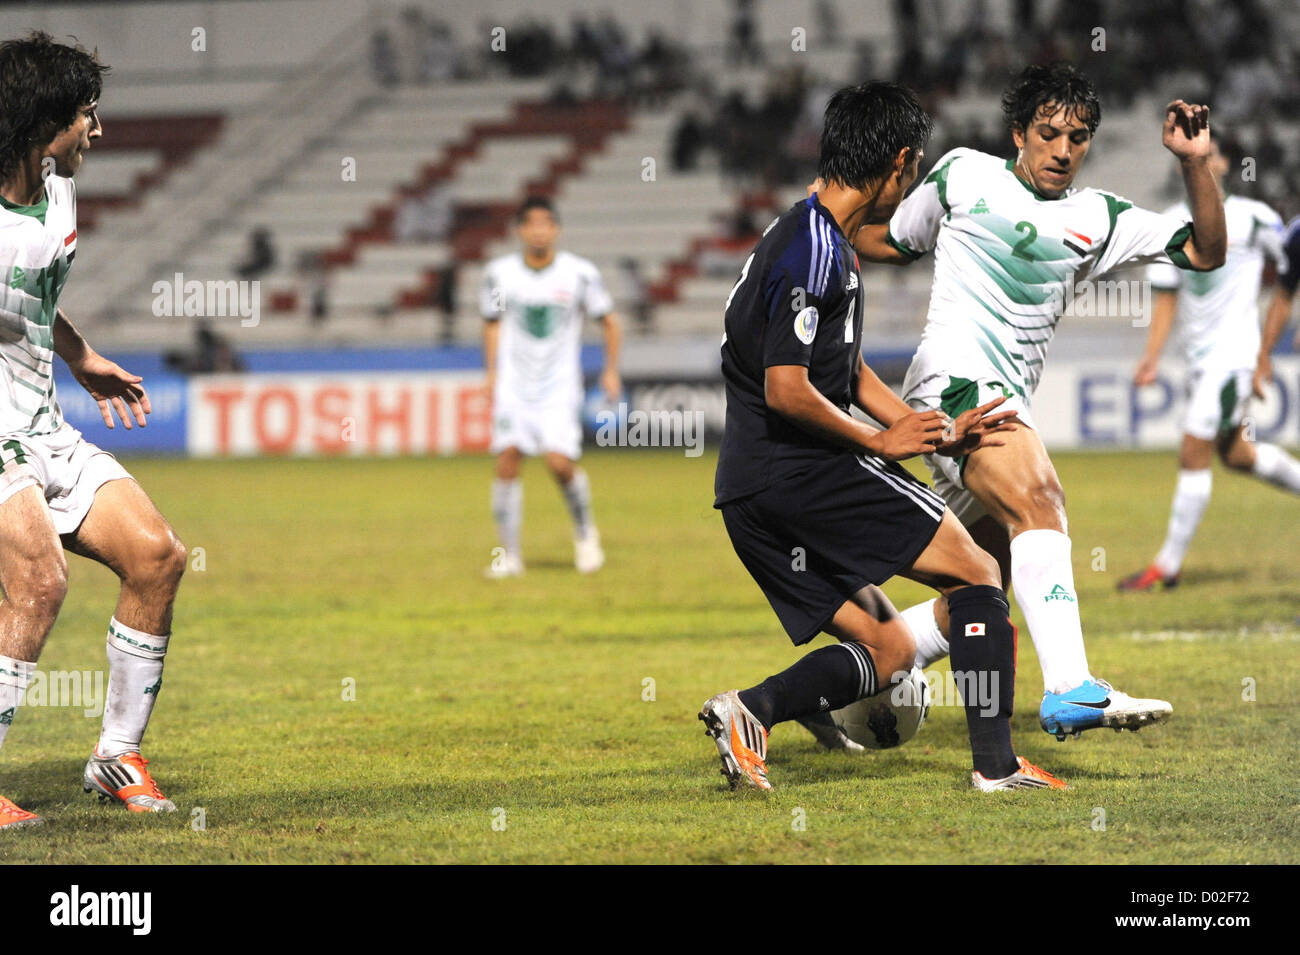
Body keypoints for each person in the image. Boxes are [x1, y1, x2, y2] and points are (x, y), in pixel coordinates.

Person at [702, 82, 1064, 794]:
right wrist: (877, 442)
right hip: (801, 472)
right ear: (899, 164)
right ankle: (996, 765)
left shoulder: (809, 234)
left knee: (890, 648)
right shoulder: (814, 251)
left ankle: (752, 710)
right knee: (979, 573)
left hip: (746, 494)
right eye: (915, 170)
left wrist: (928, 429)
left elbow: (845, 368)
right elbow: (787, 388)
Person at [848, 63, 1227, 740]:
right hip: (953, 384)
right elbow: (891, 239)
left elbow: (1204, 250)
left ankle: (835, 678)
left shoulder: (1099, 217)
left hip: (995, 397)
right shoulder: (963, 173)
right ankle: (1071, 688)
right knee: (1041, 497)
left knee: (983, 588)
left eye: (1077, 137)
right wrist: (826, 237)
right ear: (1017, 133)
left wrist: (1196, 164)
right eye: (1048, 132)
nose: (1061, 149)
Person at [0, 32, 187, 828]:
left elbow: (33, 299)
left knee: (157, 555)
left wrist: (79, 355)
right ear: (48, 120)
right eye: (87, 115)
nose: (97, 131)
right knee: (39, 584)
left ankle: (116, 754)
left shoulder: (60, 194)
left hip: (41, 421)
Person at [1119, 144, 1300, 591]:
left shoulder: (1256, 218)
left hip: (1234, 356)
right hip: (1200, 362)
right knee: (1237, 454)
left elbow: (1289, 272)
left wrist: (1262, 354)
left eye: (1215, 153)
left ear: (1220, 164)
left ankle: (1168, 565)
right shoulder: (1169, 223)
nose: (1208, 160)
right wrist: (1152, 357)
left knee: (1193, 451)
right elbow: (1166, 299)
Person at [481, 196, 621, 577]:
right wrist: (491, 372)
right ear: (521, 230)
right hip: (513, 385)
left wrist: (611, 370)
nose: (539, 230)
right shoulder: (499, 274)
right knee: (507, 459)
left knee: (559, 464)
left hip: (559, 387)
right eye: (532, 224)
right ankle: (508, 555)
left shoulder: (579, 274)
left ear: (555, 229)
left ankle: (585, 533)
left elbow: (609, 320)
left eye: (546, 223)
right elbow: (492, 321)